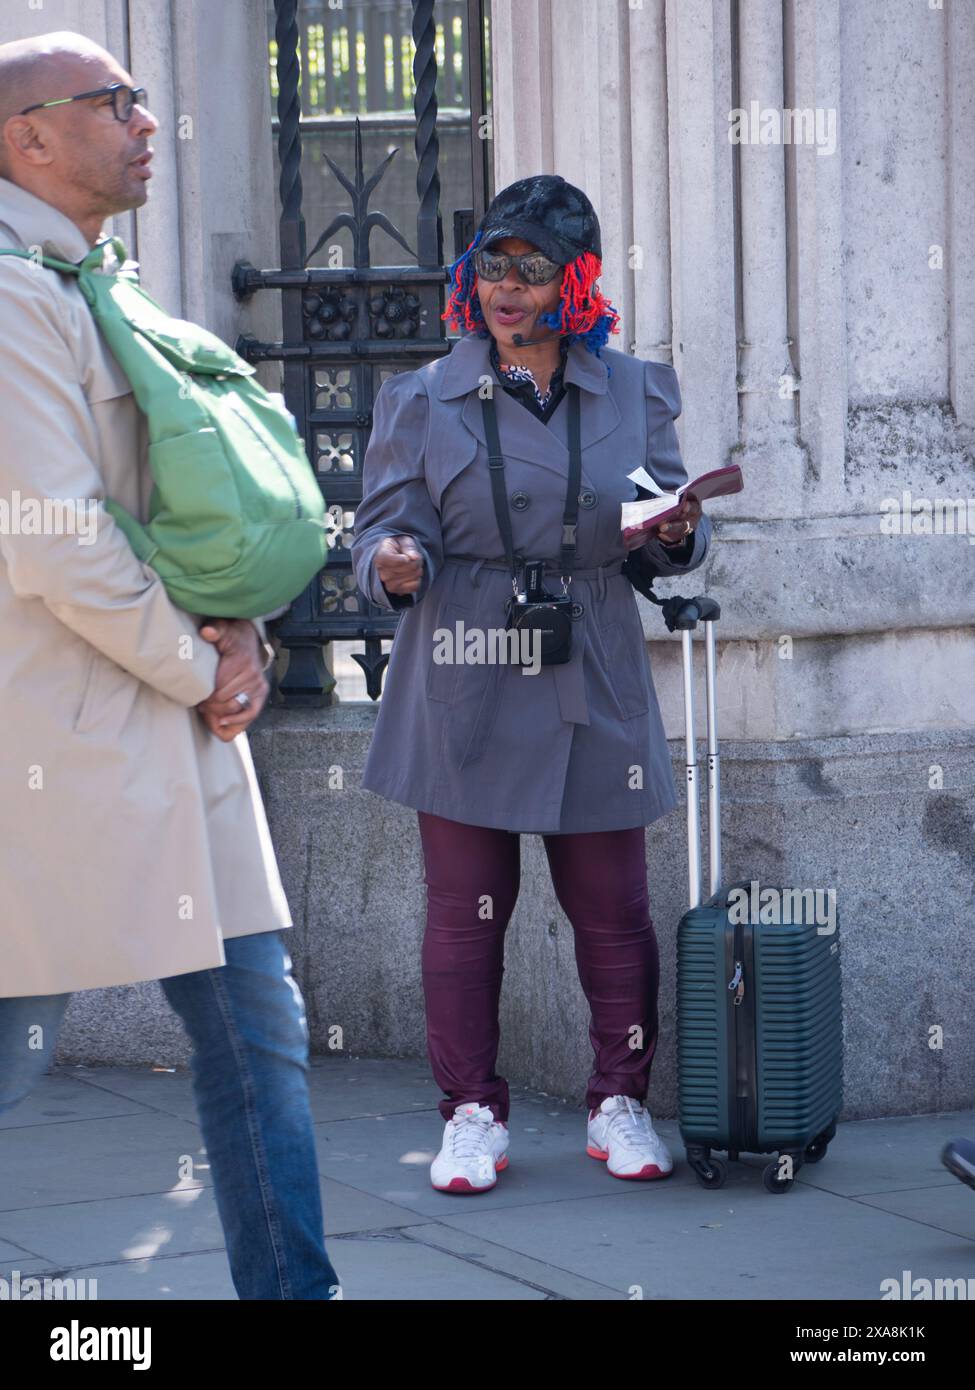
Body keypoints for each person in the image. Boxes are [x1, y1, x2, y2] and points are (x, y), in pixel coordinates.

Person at [0, 31, 339, 1298]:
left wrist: (239, 629)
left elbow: (176, 504)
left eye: (147, 98)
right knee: (15, 1048)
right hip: (60, 744)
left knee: (260, 1035)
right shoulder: (11, 299)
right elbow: (59, 549)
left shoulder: (93, 279)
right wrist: (207, 672)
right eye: (113, 101)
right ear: (28, 136)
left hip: (173, 722)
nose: (146, 121)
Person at [351, 173, 712, 1194]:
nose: (507, 289)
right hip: (462, 663)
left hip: (590, 657)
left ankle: (618, 1101)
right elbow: (378, 528)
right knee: (465, 909)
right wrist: (391, 560)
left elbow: (664, 533)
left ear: (575, 283)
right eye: (492, 266)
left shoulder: (636, 391)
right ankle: (470, 1113)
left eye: (533, 269)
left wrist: (678, 532)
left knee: (613, 906)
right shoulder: (419, 398)